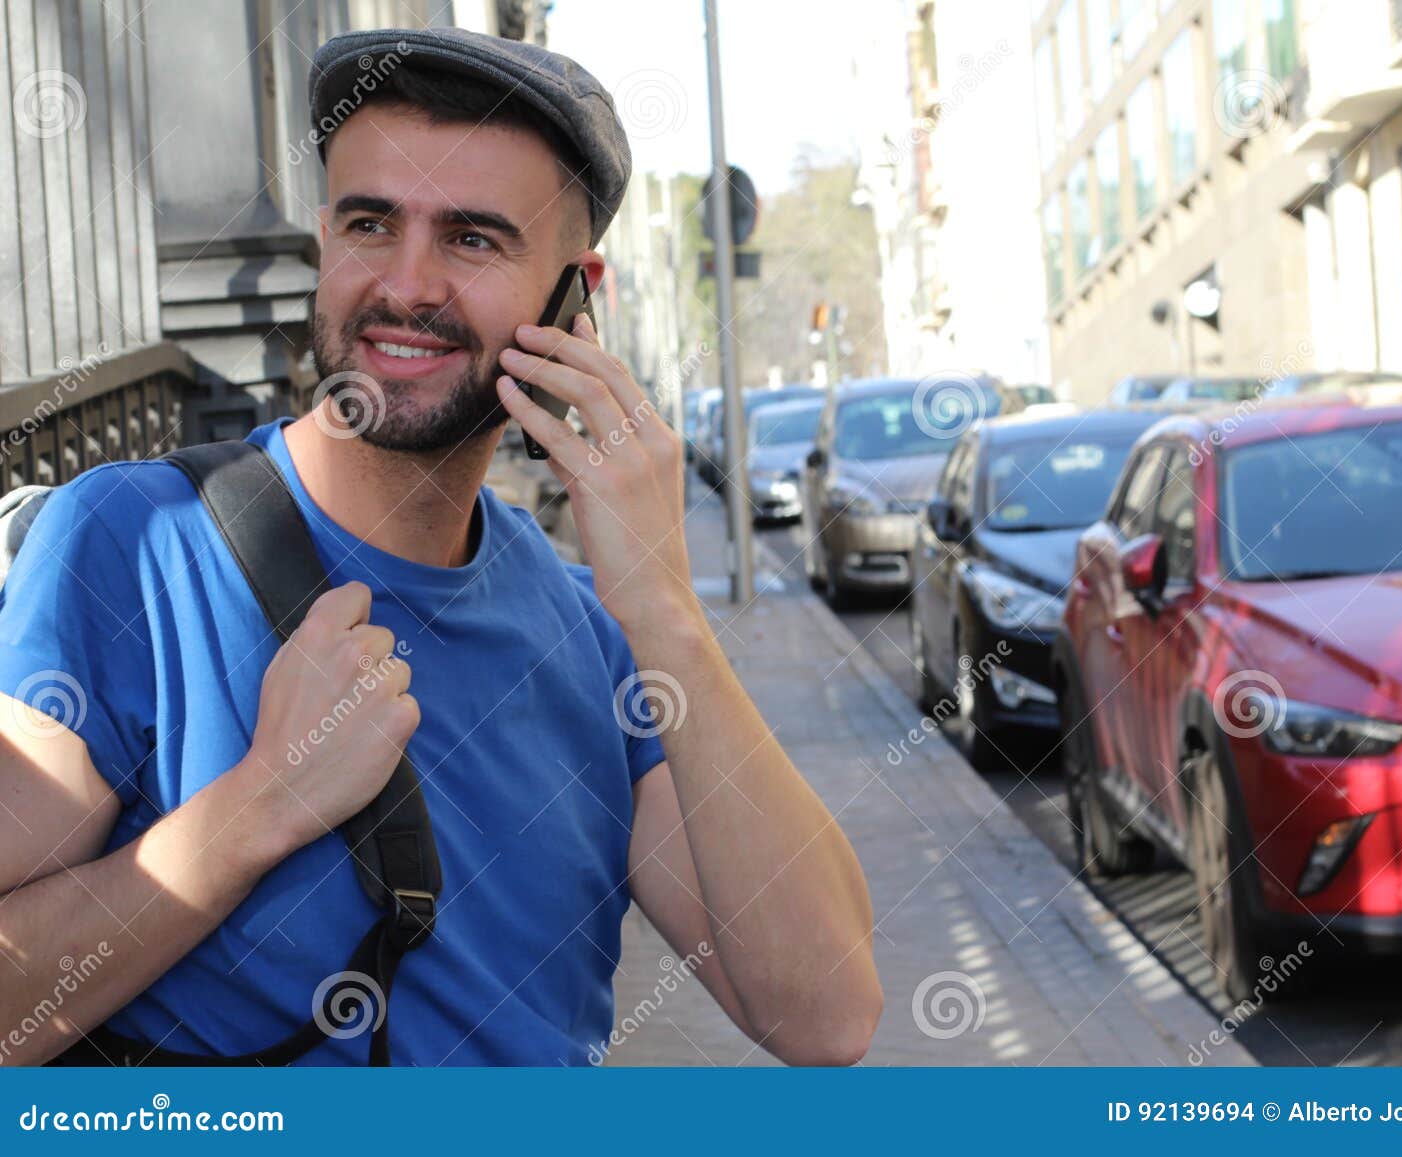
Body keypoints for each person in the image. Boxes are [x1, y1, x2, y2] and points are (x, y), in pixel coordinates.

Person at [0, 27, 880, 1066]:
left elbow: (823, 1015)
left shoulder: (599, 635)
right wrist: (258, 805)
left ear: (574, 296)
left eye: (472, 239)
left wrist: (668, 611)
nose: (407, 286)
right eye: (373, 223)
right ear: (326, 240)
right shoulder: (129, 543)